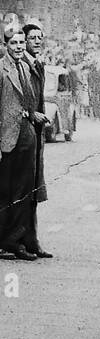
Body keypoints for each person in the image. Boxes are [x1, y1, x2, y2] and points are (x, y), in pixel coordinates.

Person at [0, 29, 39, 260]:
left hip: (25, 135)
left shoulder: (24, 67)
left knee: (23, 191)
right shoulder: (1, 69)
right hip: (6, 138)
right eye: (13, 43)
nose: (19, 47)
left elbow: (28, 101)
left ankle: (15, 241)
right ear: (5, 45)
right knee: (4, 191)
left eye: (21, 42)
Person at [21, 22, 53, 258]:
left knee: (33, 189)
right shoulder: (20, 66)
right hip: (24, 132)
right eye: (32, 37)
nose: (37, 41)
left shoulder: (38, 64)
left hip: (36, 134)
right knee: (23, 189)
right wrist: (32, 114)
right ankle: (21, 239)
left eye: (40, 37)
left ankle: (31, 240)